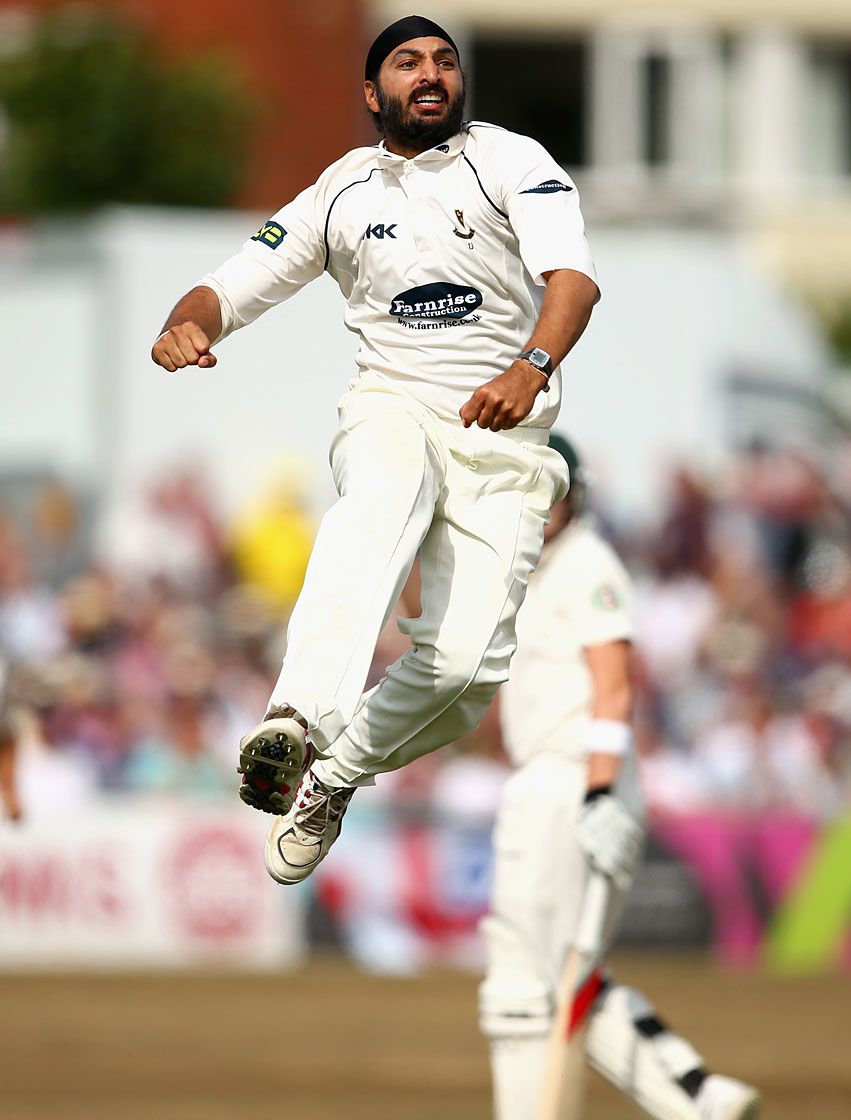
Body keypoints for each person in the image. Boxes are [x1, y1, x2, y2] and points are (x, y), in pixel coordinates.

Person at [150, 16, 600, 884]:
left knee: (467, 672)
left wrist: (532, 365)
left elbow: (572, 281)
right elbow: (230, 285)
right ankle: (296, 716)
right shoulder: (341, 190)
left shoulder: (512, 160)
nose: (430, 74)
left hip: (505, 437)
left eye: (444, 61)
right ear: (371, 91)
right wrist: (186, 325)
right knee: (378, 503)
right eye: (407, 62)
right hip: (393, 405)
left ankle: (331, 778)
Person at [479, 433, 761, 1120]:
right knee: (569, 975)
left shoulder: (587, 562)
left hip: (573, 776)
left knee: (521, 982)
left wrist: (600, 791)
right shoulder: (528, 568)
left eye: (555, 494)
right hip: (556, 776)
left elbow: (614, 685)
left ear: (576, 498)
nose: (543, 506)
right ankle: (698, 1097)